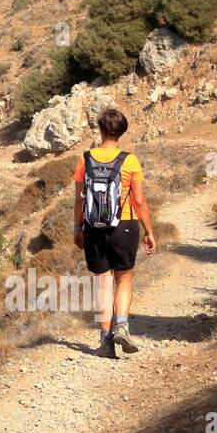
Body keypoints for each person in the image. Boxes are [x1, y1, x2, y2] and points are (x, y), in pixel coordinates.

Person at [73, 108, 156, 359]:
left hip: (93, 227)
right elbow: (139, 200)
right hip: (125, 225)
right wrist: (149, 231)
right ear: (122, 131)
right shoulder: (130, 161)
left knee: (102, 282)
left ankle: (105, 342)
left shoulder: (84, 159)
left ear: (100, 129)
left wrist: (78, 228)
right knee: (124, 279)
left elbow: (79, 199)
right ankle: (122, 325)